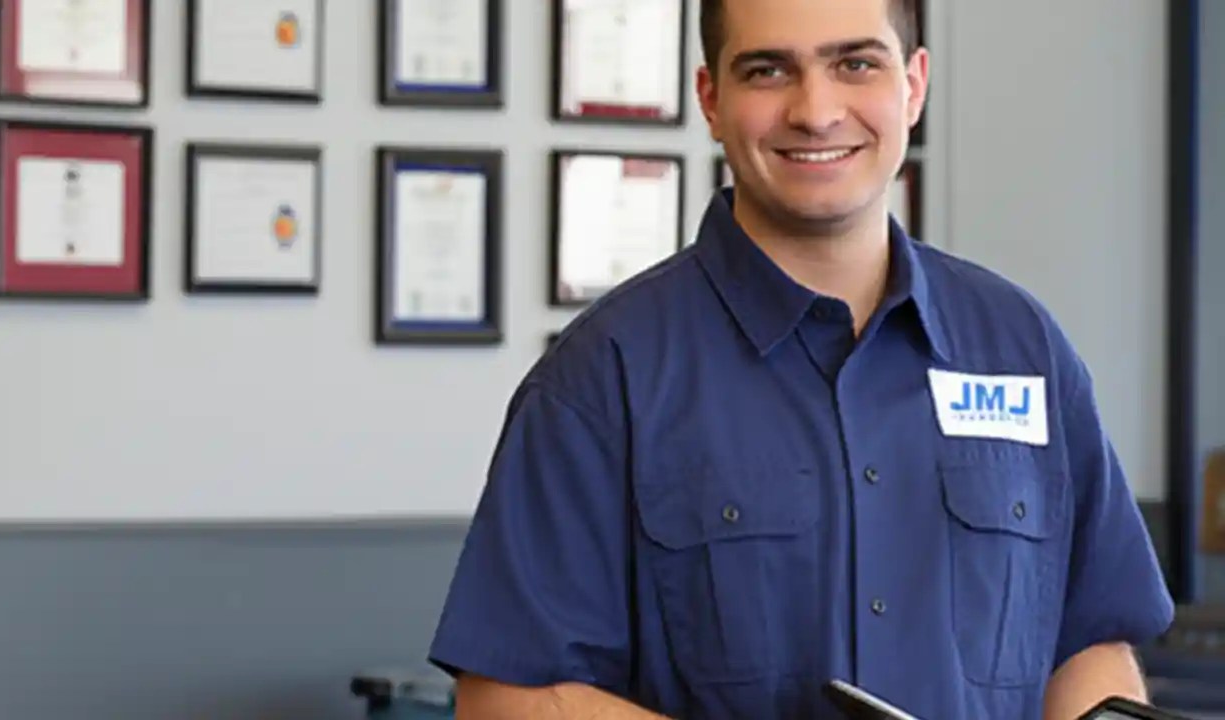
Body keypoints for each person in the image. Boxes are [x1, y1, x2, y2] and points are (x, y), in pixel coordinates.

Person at [426, 0, 1175, 717]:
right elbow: (506, 701)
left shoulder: (1024, 350)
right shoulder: (601, 379)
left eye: (855, 64)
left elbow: (1089, 644)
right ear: (710, 98)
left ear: (913, 84)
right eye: (768, 71)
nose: (815, 111)